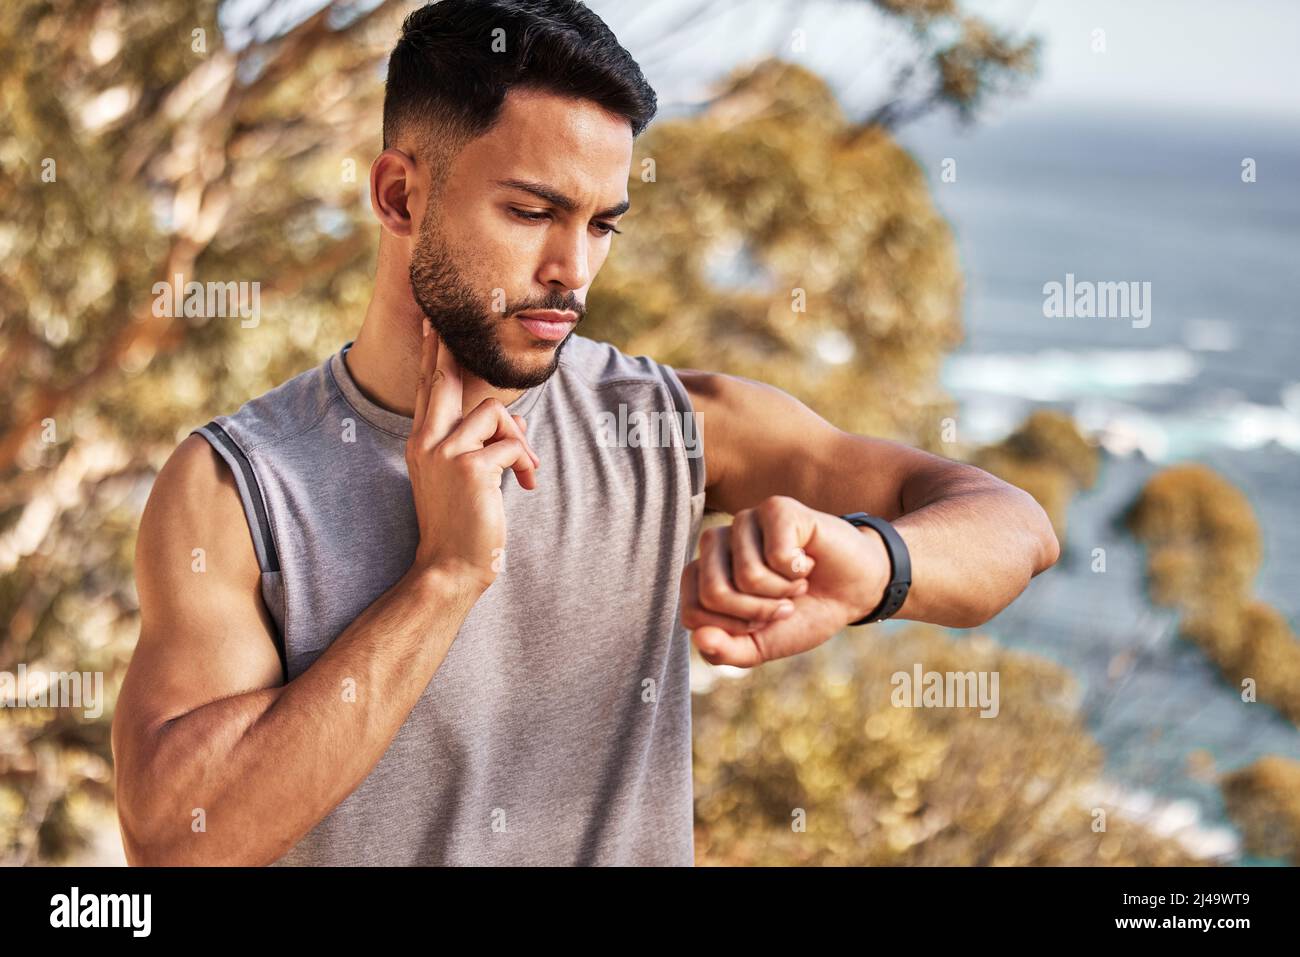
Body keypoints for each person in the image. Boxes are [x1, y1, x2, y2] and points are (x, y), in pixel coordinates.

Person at [111, 0, 1059, 866]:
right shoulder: (237, 487)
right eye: (532, 212)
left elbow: (1016, 529)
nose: (573, 268)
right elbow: (177, 836)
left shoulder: (673, 426)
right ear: (400, 196)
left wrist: (873, 565)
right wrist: (442, 577)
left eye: (604, 224)